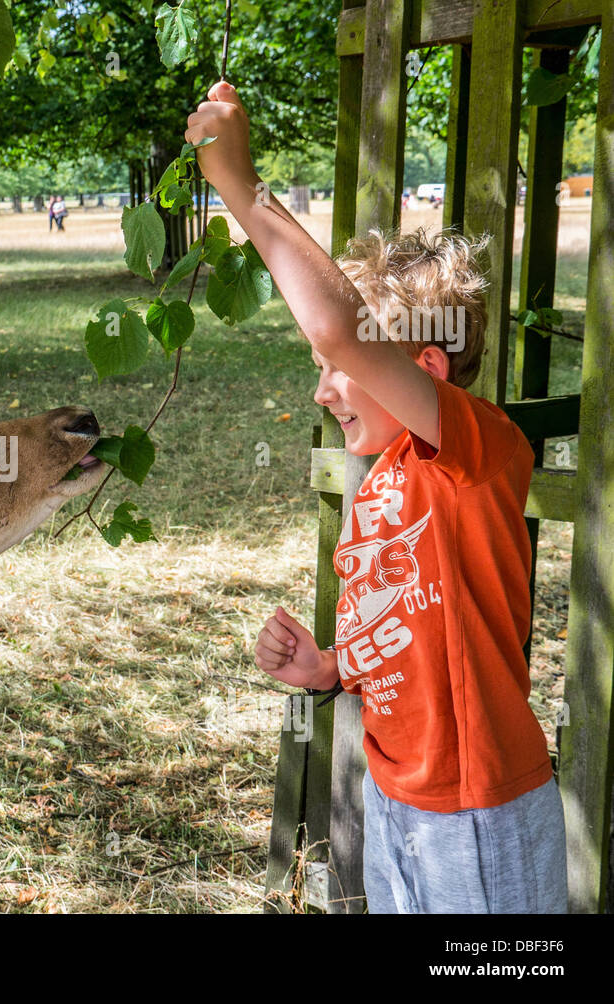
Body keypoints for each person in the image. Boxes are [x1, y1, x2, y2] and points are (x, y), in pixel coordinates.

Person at [188, 81, 565, 913]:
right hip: (396, 801)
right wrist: (328, 668)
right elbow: (403, 621)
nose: (325, 389)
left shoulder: (473, 452)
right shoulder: (386, 476)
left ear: (424, 371)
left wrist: (241, 188)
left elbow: (336, 326)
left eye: (341, 374)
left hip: (481, 816)